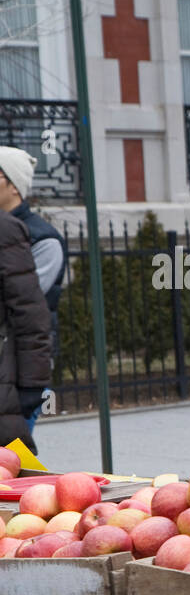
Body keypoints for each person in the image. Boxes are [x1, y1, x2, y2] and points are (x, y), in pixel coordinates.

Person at [0, 147, 64, 431]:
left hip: (21, 372)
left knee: (13, 462)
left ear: (13, 185)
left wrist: (29, 390)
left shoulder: (44, 239)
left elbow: (25, 302)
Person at [0, 208, 52, 453]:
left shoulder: (6, 229)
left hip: (4, 387)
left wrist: (32, 384)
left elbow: (30, 311)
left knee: (8, 478)